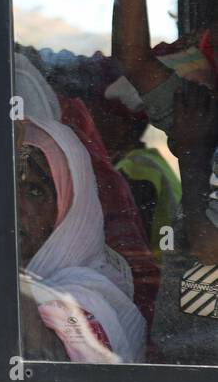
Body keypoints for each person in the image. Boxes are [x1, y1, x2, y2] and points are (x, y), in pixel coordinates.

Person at [16, 118, 147, 363]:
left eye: (34, 192)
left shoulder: (88, 299)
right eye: (6, 187)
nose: (15, 204)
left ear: (68, 211)